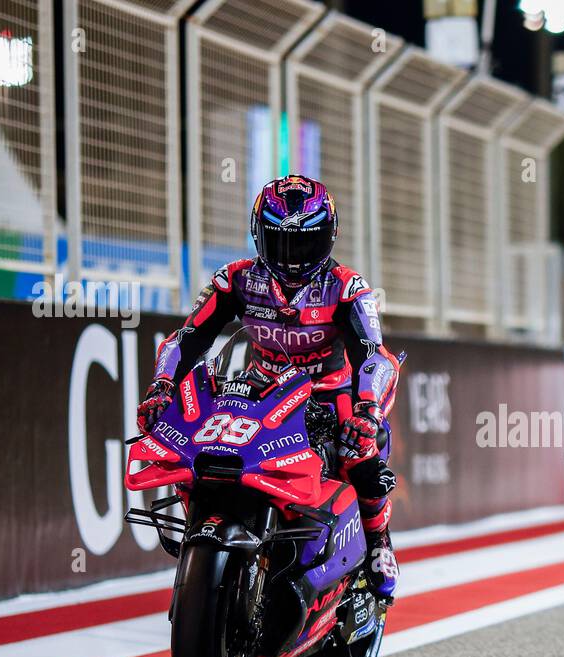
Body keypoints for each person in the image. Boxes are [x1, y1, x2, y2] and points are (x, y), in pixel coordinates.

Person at [136, 174, 399, 602]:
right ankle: (211, 538)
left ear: (329, 237)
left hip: (329, 399)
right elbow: (188, 339)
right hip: (258, 393)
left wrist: (368, 411)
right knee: (201, 449)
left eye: (306, 242)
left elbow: (374, 354)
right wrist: (162, 387)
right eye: (281, 242)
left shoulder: (349, 287)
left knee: (361, 453)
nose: (293, 258)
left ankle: (379, 543)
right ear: (259, 235)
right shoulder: (234, 279)